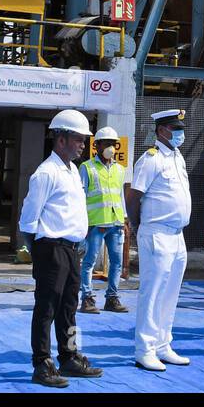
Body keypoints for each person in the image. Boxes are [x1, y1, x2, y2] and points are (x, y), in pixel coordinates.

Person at [18, 109, 103, 388]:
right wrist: (40, 251)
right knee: (46, 307)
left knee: (69, 306)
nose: (83, 144)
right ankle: (42, 363)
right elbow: (29, 219)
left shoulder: (72, 171)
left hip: (71, 249)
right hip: (51, 247)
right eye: (78, 139)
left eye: (83, 139)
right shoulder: (46, 173)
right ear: (61, 139)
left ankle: (68, 356)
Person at [128, 108, 193, 371]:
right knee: (152, 293)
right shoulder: (150, 159)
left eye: (181, 129)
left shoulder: (177, 158)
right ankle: (144, 349)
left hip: (177, 235)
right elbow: (133, 197)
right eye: (175, 129)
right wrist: (137, 225)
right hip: (156, 233)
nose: (180, 133)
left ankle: (163, 344)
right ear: (161, 131)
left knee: (170, 294)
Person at [78, 126, 128, 315]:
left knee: (116, 262)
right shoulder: (87, 167)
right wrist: (83, 223)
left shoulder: (119, 169)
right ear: (96, 146)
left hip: (115, 224)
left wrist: (125, 219)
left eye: (113, 144)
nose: (110, 147)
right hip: (95, 224)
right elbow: (81, 197)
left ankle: (112, 298)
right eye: (106, 143)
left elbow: (120, 195)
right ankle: (87, 298)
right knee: (89, 262)